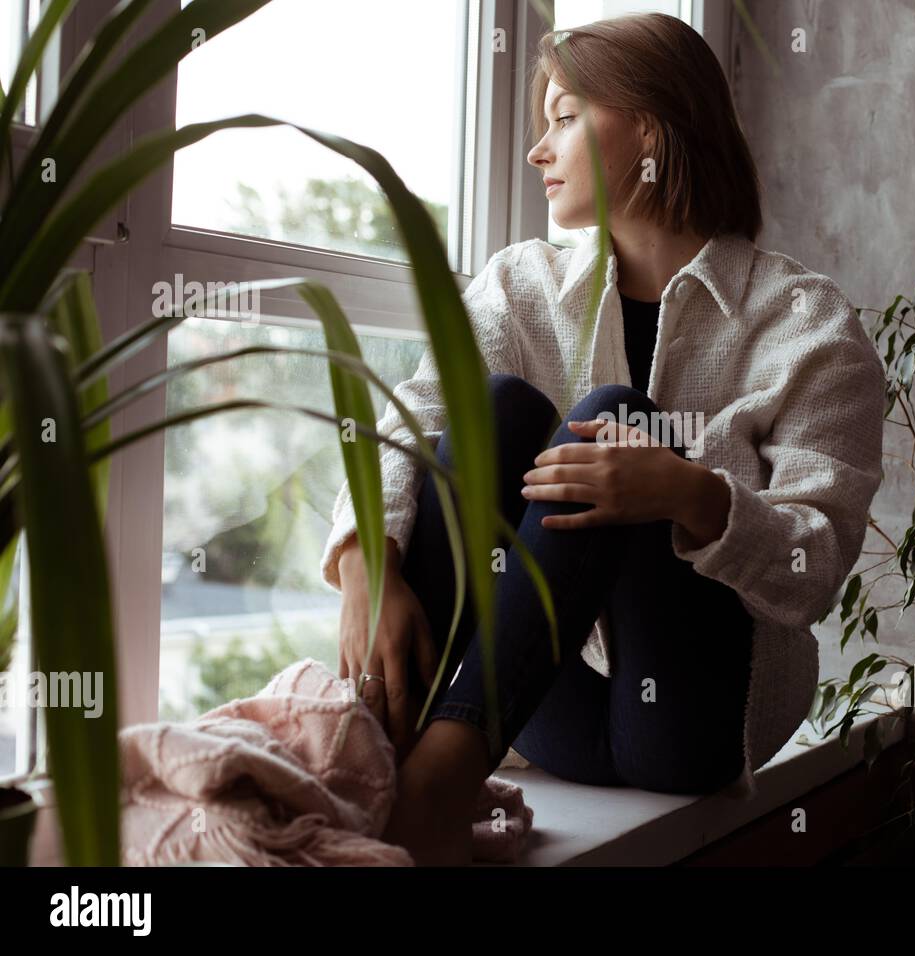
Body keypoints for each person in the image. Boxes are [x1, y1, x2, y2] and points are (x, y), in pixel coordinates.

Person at [321, 12, 885, 865]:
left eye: (562, 117)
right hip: (545, 706)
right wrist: (371, 560)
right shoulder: (521, 284)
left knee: (618, 413)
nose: (536, 151)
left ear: (650, 128)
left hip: (692, 725)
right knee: (494, 406)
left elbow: (817, 563)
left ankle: (432, 791)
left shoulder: (804, 323)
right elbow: (412, 420)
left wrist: (687, 494)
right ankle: (412, 762)